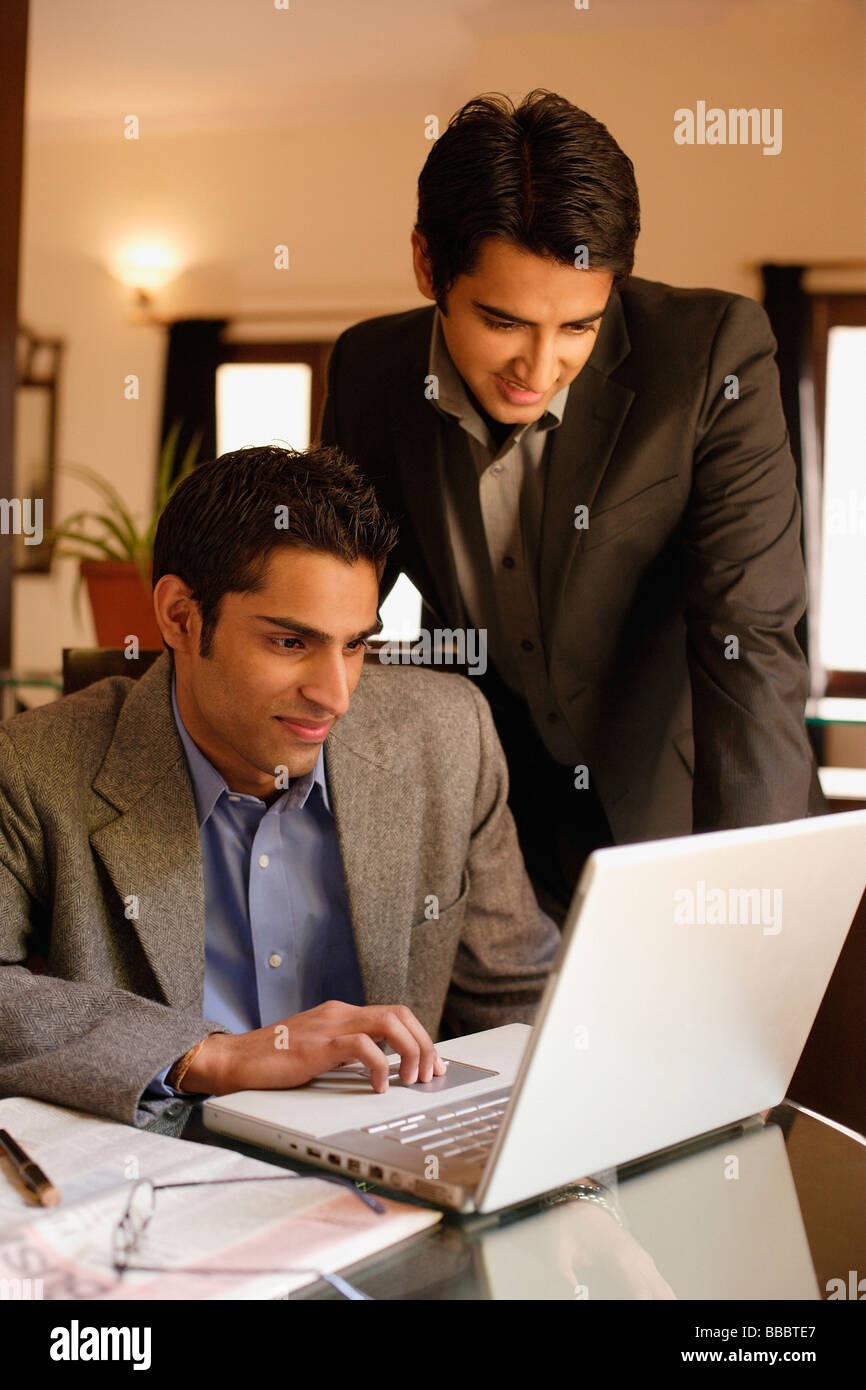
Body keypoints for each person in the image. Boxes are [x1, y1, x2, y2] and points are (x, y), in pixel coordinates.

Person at [320, 89, 821, 925]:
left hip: (694, 818)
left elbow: (751, 641)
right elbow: (332, 600)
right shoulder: (372, 371)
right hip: (500, 846)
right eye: (503, 321)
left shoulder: (712, 356)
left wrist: (745, 898)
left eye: (580, 328)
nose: (539, 366)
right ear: (425, 263)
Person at [0, 445, 559, 1135]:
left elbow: (520, 995)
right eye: (291, 643)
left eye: (355, 645)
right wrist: (210, 1056)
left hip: (390, 1171)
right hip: (161, 1180)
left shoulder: (447, 737)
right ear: (179, 617)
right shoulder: (33, 764)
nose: (335, 696)